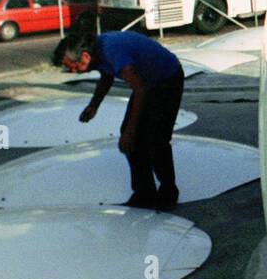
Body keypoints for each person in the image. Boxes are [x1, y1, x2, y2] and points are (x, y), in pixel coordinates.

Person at [53, 31, 185, 210]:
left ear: (84, 56)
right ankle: (144, 193)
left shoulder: (111, 50)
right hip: (148, 82)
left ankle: (169, 193)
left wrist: (130, 132)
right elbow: (107, 76)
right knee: (132, 139)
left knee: (155, 138)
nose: (73, 71)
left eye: (74, 66)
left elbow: (140, 89)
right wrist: (94, 106)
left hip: (167, 78)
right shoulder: (96, 51)